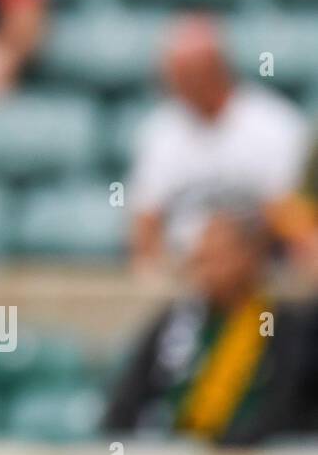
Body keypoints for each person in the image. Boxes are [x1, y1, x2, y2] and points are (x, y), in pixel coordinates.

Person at [104, 196, 318, 445]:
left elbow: (286, 408)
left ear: (251, 258)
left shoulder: (281, 326)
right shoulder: (174, 322)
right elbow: (127, 401)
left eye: (216, 258)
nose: (203, 270)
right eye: (199, 259)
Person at [128, 15, 310, 275]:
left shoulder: (274, 126)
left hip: (256, 274)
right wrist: (151, 275)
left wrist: (229, 252)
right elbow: (145, 219)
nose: (174, 84)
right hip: (184, 275)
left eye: (186, 74)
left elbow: (292, 219)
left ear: (215, 70)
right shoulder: (160, 130)